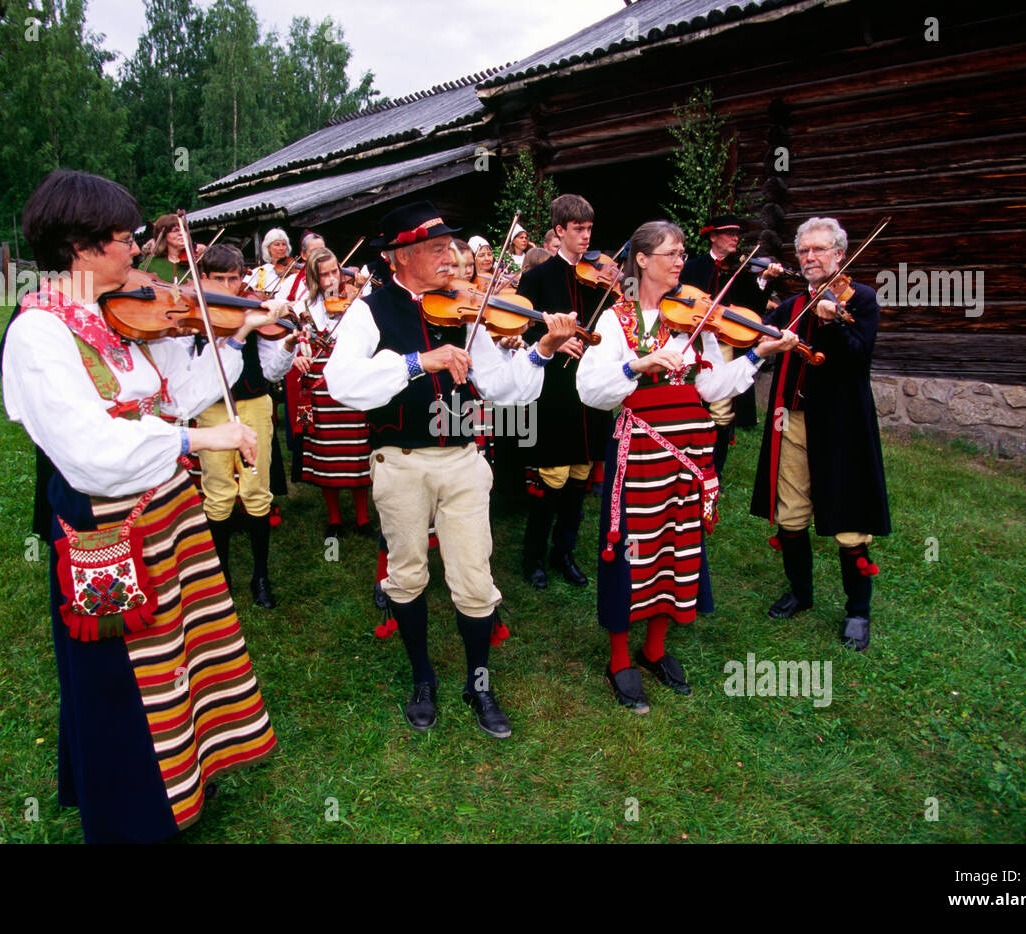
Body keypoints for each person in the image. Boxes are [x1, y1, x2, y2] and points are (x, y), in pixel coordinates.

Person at [0, 169, 281, 842]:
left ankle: (180, 779)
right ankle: (131, 816)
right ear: (81, 246)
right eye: (124, 240)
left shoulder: (109, 317)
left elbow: (165, 396)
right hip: (106, 529)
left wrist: (233, 335)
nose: (137, 253)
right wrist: (197, 437)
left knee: (175, 658)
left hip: (164, 514)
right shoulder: (39, 334)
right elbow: (89, 450)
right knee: (120, 680)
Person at [325, 200, 578, 739]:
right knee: (409, 572)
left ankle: (479, 683)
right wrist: (420, 361)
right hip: (401, 461)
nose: (451, 258)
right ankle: (423, 678)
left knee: (474, 579)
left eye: (450, 247)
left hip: (465, 460)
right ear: (400, 256)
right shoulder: (368, 311)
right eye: (437, 249)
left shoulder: (465, 310)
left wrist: (542, 350)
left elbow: (504, 391)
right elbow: (342, 383)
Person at [577, 220, 798, 713]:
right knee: (632, 547)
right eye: (671, 254)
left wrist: (759, 354)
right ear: (642, 260)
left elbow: (713, 387)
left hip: (693, 447)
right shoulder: (618, 319)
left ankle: (655, 649)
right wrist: (636, 365)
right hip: (642, 448)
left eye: (682, 254)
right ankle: (619, 658)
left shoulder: (700, 319)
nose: (680, 262)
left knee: (678, 545)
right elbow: (591, 391)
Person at [750, 216, 890, 652]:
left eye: (819, 250)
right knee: (791, 512)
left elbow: (858, 355)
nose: (810, 257)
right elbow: (750, 325)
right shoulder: (792, 306)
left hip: (842, 425)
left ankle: (857, 611)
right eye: (804, 251)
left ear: (839, 255)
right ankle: (801, 592)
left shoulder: (860, 299)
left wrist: (834, 320)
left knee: (850, 519)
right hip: (791, 420)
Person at [514, 194, 614, 591]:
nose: (587, 237)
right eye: (578, 229)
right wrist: (553, 342)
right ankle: (533, 556)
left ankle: (564, 552)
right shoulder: (538, 277)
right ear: (559, 231)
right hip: (553, 389)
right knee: (548, 478)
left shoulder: (599, 278)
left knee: (580, 476)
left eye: (590, 229)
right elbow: (520, 325)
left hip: (590, 390)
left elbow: (612, 326)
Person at [195, 244, 295, 609]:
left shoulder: (254, 310)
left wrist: (286, 346)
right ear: (202, 278)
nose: (225, 285)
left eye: (232, 278)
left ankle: (260, 575)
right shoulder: (192, 313)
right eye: (216, 278)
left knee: (256, 488)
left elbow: (270, 371)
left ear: (243, 280)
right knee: (218, 490)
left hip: (253, 402)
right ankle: (220, 575)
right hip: (211, 410)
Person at [679, 215, 780, 477]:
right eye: (729, 233)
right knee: (690, 402)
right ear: (713, 236)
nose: (736, 238)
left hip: (724, 342)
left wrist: (764, 281)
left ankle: (714, 470)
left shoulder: (743, 269)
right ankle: (685, 460)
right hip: (694, 341)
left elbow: (754, 309)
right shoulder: (693, 267)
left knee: (721, 411)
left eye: (737, 234)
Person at [288, 247, 376, 539]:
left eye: (334, 272)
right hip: (319, 383)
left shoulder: (358, 303)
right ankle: (335, 518)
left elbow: (372, 340)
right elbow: (294, 343)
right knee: (327, 451)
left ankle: (363, 519)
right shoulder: (303, 306)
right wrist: (294, 357)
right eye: (323, 274)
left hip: (352, 382)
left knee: (358, 450)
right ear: (314, 277)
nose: (330, 280)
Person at [141, 213, 201, 281]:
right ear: (164, 236)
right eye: (176, 230)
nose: (181, 233)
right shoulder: (151, 263)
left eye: (184, 230)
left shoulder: (196, 260)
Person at [244, 228, 294, 295]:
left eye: (284, 244)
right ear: (268, 248)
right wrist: (253, 291)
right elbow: (243, 289)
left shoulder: (292, 269)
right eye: (277, 244)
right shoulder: (259, 271)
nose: (281, 248)